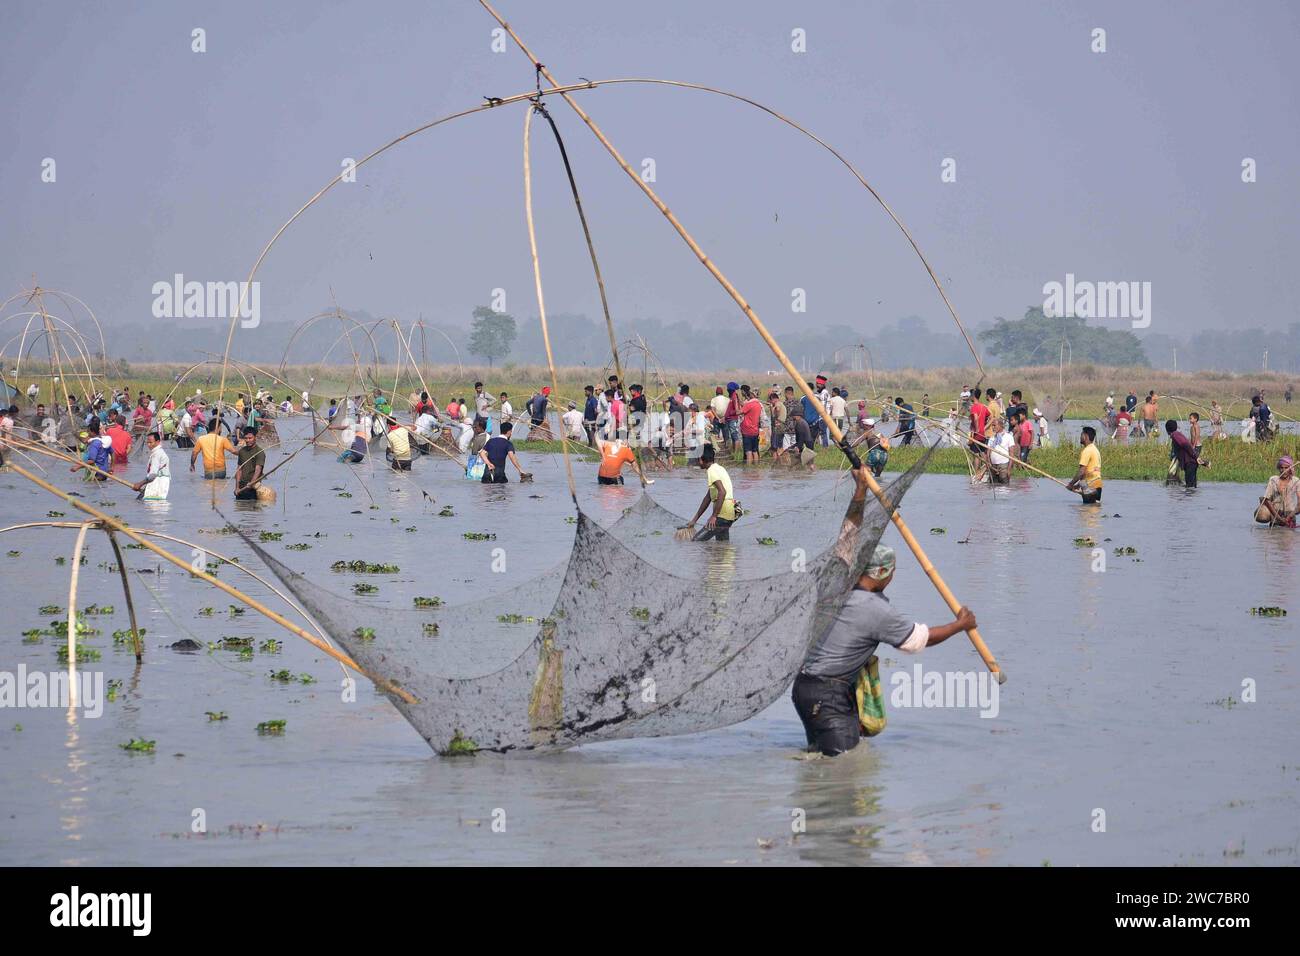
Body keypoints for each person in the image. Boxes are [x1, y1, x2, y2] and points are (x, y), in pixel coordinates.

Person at [792, 467, 977, 756]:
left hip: (805, 689)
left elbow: (848, 534)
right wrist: (960, 624)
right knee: (841, 768)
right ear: (881, 574)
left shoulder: (836, 582)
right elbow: (919, 639)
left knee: (821, 757)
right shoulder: (875, 611)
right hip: (827, 695)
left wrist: (860, 490)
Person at [681, 443, 738, 541]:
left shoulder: (711, 471)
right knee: (722, 546)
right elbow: (707, 498)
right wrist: (694, 520)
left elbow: (722, 492)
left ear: (701, 460)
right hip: (728, 514)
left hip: (722, 514)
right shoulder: (719, 468)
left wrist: (714, 516)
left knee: (696, 541)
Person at [1256, 456, 1297, 527]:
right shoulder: (1273, 480)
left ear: (1290, 468)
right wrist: (1278, 518)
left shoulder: (1296, 481)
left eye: (1286, 468)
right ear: (1279, 468)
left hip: (1290, 516)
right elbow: (1266, 500)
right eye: (1281, 468)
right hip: (1275, 514)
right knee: (1275, 534)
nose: (1283, 470)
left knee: (1290, 535)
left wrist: (1289, 516)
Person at [1066, 426, 1103, 504]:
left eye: (1081, 435)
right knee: (1093, 510)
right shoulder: (1095, 449)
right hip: (1097, 485)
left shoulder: (1087, 450)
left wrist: (1071, 484)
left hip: (1090, 486)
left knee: (1086, 513)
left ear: (1086, 436)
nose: (1080, 437)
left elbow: (1081, 471)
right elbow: (1088, 471)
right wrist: (1077, 486)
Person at [132, 431, 171, 499]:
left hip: (157, 485)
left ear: (157, 442)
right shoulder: (158, 452)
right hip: (158, 484)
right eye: (147, 442)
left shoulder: (157, 454)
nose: (148, 445)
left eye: (151, 442)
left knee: (145, 502)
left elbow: (152, 475)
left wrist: (140, 484)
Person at [1167, 419, 1200, 488]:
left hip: (1190, 462)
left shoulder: (1175, 435)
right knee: (1192, 486)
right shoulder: (1177, 434)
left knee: (1190, 486)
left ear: (1167, 429)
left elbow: (1186, 445)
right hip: (1191, 462)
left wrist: (1196, 456)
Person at [739, 385, 763, 463]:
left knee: (748, 451)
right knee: (755, 451)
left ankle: (748, 470)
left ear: (752, 394)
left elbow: (738, 412)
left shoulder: (750, 404)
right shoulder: (759, 405)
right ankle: (756, 467)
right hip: (755, 431)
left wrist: (736, 403)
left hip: (747, 431)